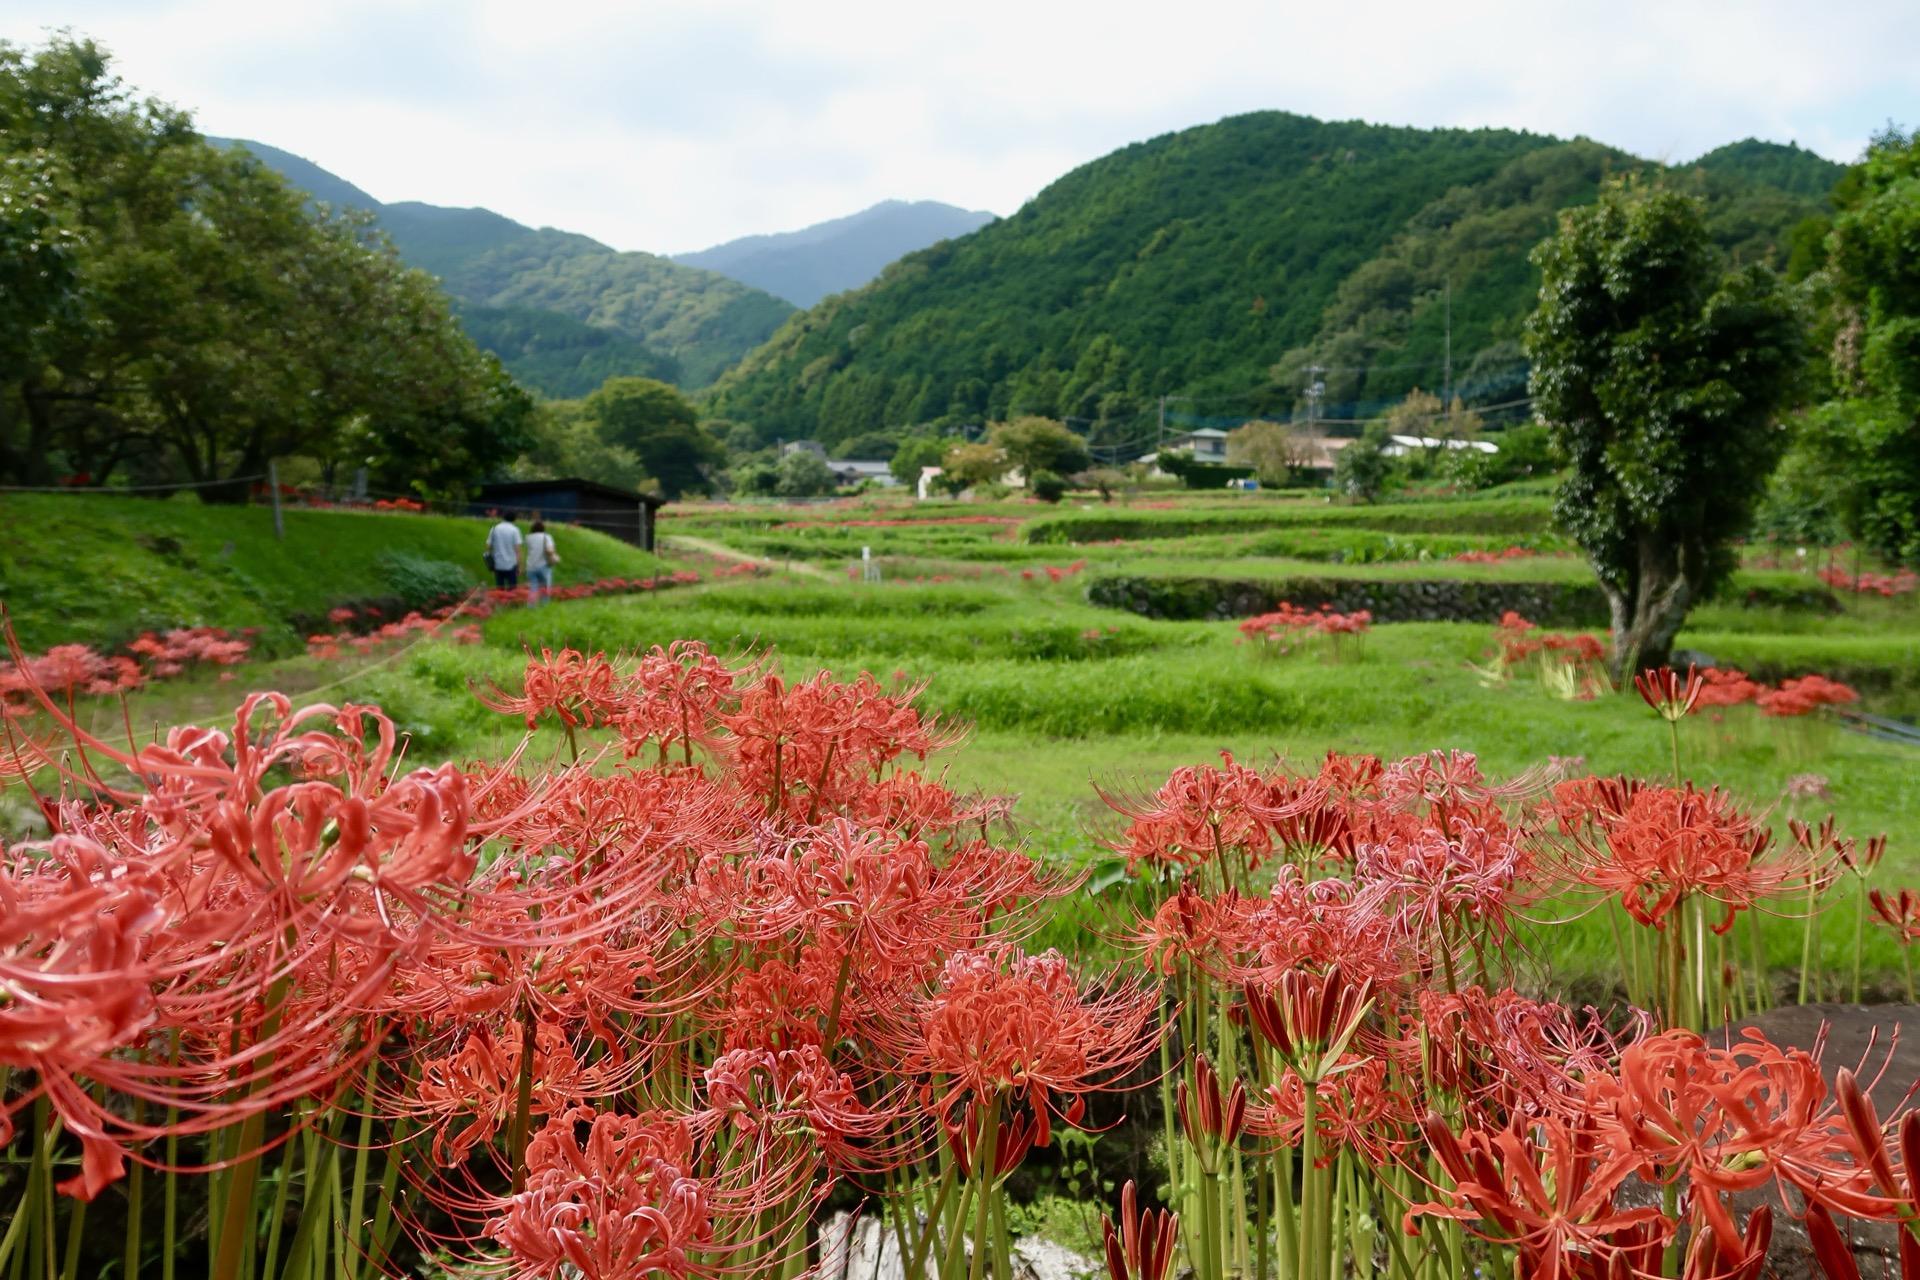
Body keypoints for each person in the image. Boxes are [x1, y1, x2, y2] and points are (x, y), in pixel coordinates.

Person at [525, 519, 560, 605]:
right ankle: (545, 606)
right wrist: (555, 556)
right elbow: (550, 550)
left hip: (530, 566)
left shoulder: (528, 537)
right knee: (545, 587)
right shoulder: (546, 536)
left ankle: (531, 607)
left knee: (533, 588)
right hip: (543, 565)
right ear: (543, 528)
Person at [486, 511, 524, 589]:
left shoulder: (494, 528)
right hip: (511, 564)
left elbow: (488, 546)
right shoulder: (515, 530)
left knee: (500, 589)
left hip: (497, 564)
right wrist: (519, 566)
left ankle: (499, 601)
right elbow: (518, 550)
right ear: (514, 519)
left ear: (503, 518)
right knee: (512, 590)